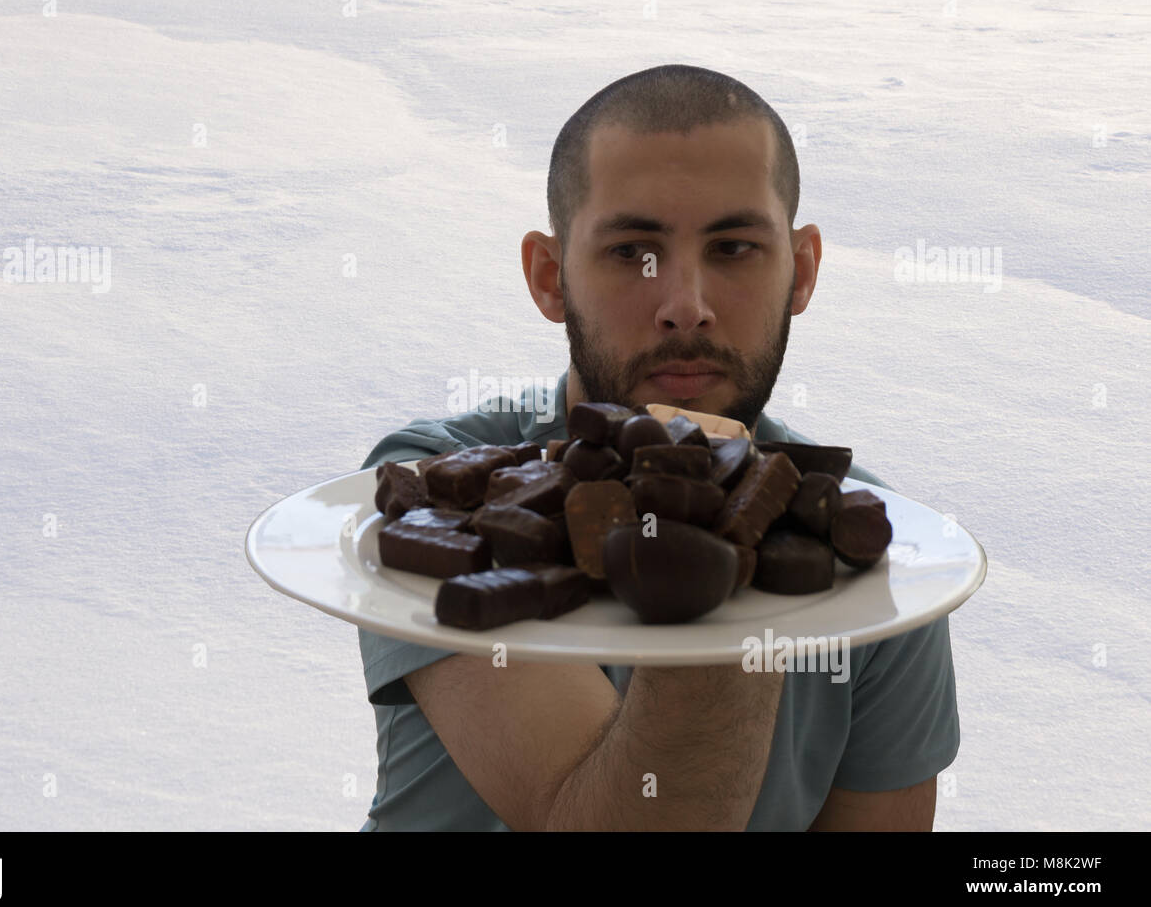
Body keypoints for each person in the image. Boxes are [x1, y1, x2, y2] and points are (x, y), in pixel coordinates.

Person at [356, 65, 959, 831]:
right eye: (632, 251)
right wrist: (732, 538)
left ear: (800, 272)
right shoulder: (441, 493)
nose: (686, 307)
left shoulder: (866, 541)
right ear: (550, 277)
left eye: (734, 249)